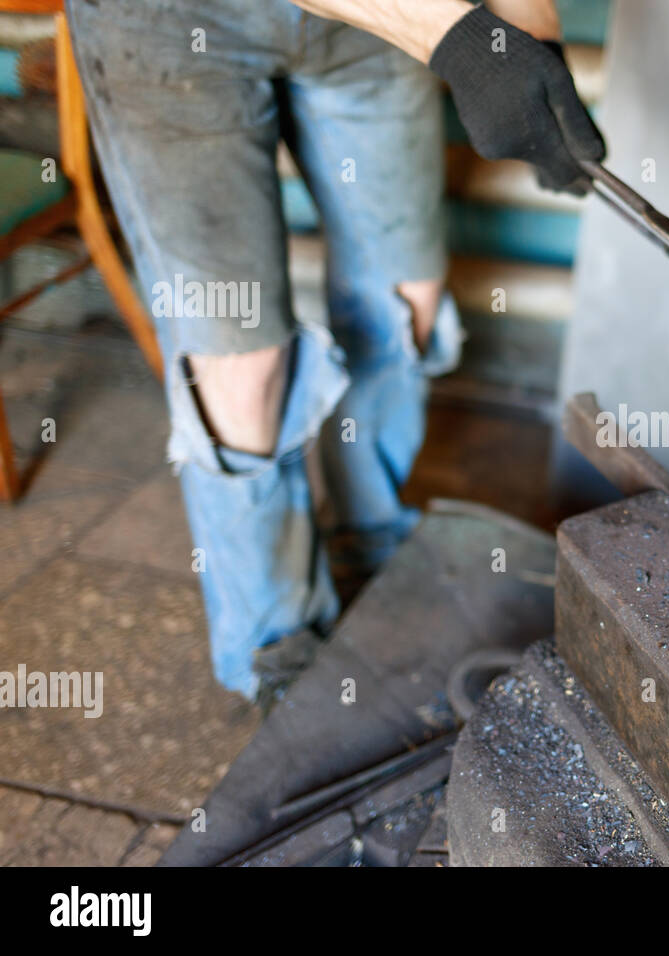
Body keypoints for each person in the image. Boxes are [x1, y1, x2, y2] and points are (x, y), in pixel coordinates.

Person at [66, 0, 604, 703]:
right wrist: (460, 40)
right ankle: (276, 642)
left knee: (402, 300)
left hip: (371, 27)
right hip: (164, 26)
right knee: (242, 366)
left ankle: (372, 540)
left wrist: (534, 45)